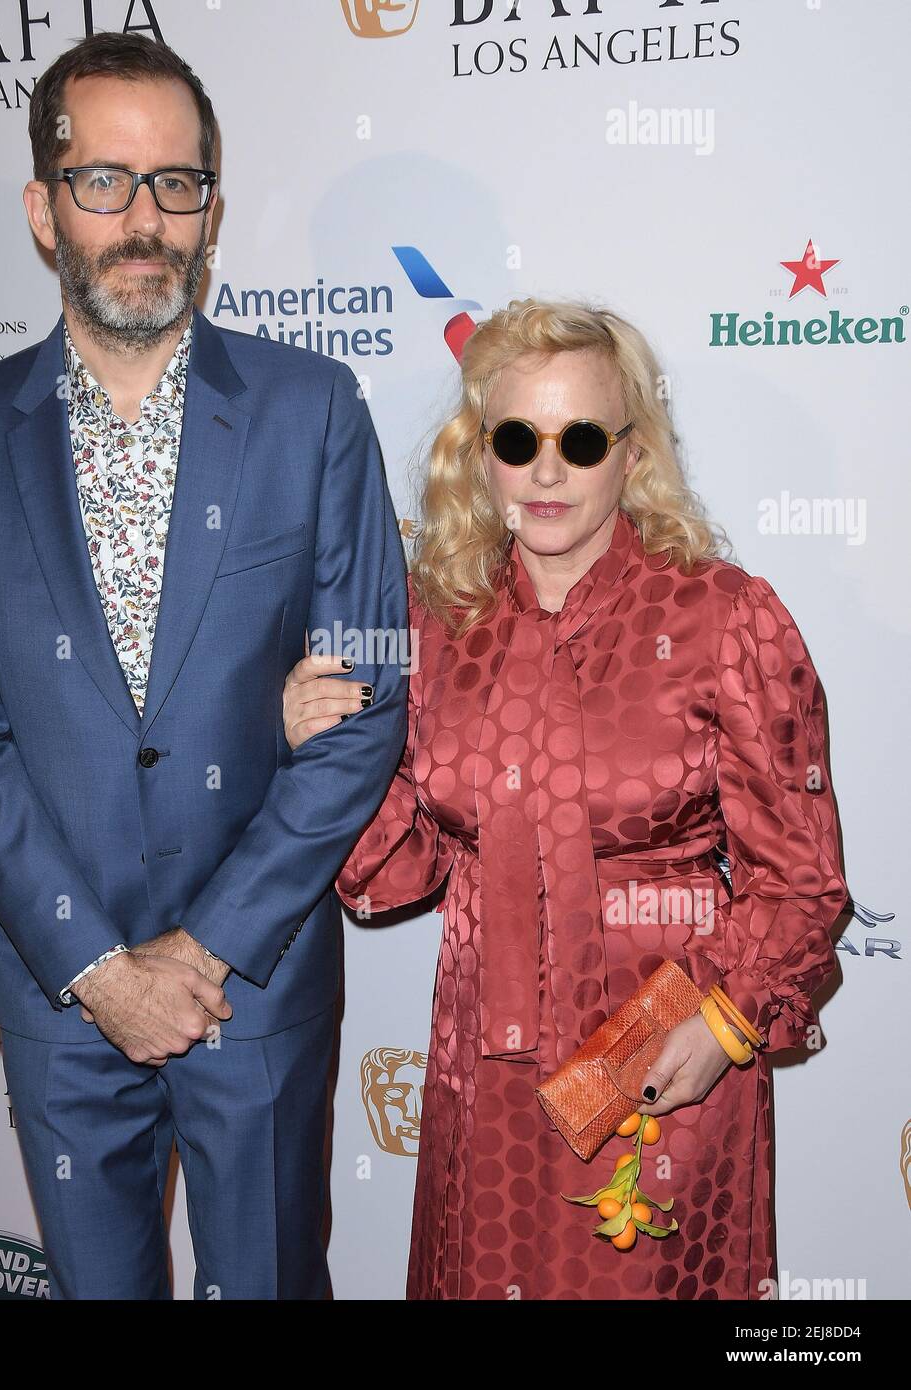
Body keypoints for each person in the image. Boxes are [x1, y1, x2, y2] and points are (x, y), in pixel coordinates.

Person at [0, 31, 408, 1300]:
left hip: (256, 985)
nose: (143, 218)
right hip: (61, 993)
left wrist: (205, 948)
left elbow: (368, 698)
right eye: (104, 180)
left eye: (175, 183)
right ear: (41, 205)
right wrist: (100, 970)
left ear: (211, 210)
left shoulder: (311, 410)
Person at [283, 298, 847, 1300]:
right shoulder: (430, 623)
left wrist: (718, 1030)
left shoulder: (723, 617)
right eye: (516, 437)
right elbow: (392, 874)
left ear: (630, 455)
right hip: (481, 1062)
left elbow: (799, 880)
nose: (546, 471)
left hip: (665, 1049)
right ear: (478, 454)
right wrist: (319, 750)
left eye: (580, 440)